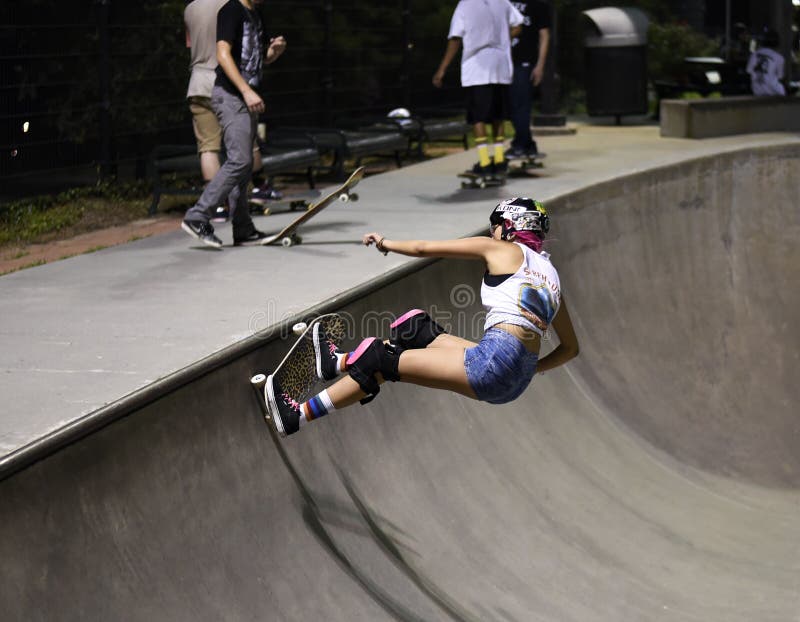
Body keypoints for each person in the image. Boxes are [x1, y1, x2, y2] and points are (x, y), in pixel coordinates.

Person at [265, 197, 580, 436]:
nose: (491, 231)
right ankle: (333, 364)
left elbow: (424, 247)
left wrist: (384, 243)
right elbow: (570, 348)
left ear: (509, 225)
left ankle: (295, 416)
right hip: (515, 378)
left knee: (379, 359)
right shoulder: (551, 278)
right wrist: (531, 368)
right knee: (418, 329)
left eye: (495, 225)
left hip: (493, 360)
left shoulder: (498, 248)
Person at [181, 0, 286, 248]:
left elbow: (256, 56)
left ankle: (243, 228)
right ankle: (198, 215)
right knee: (240, 160)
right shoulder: (231, 10)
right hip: (230, 96)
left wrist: (274, 52)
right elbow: (223, 53)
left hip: (243, 98)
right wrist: (245, 90)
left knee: (244, 164)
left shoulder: (256, 14)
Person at [432, 0, 524, 180]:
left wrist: (442, 68)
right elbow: (518, 25)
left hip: (477, 67)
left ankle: (484, 163)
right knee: (498, 115)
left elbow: (455, 38)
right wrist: (504, 38)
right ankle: (498, 161)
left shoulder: (465, 5)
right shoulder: (502, 2)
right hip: (501, 65)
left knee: (477, 117)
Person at [506, 1, 551, 159]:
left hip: (525, 61)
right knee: (510, 105)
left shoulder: (539, 4)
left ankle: (520, 145)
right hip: (504, 60)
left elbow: (544, 35)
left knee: (521, 104)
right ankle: (528, 144)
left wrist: (540, 65)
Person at [746, 28, 786, 96]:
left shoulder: (754, 54)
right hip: (775, 91)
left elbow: (749, 71)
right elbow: (780, 77)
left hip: (757, 90)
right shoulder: (779, 57)